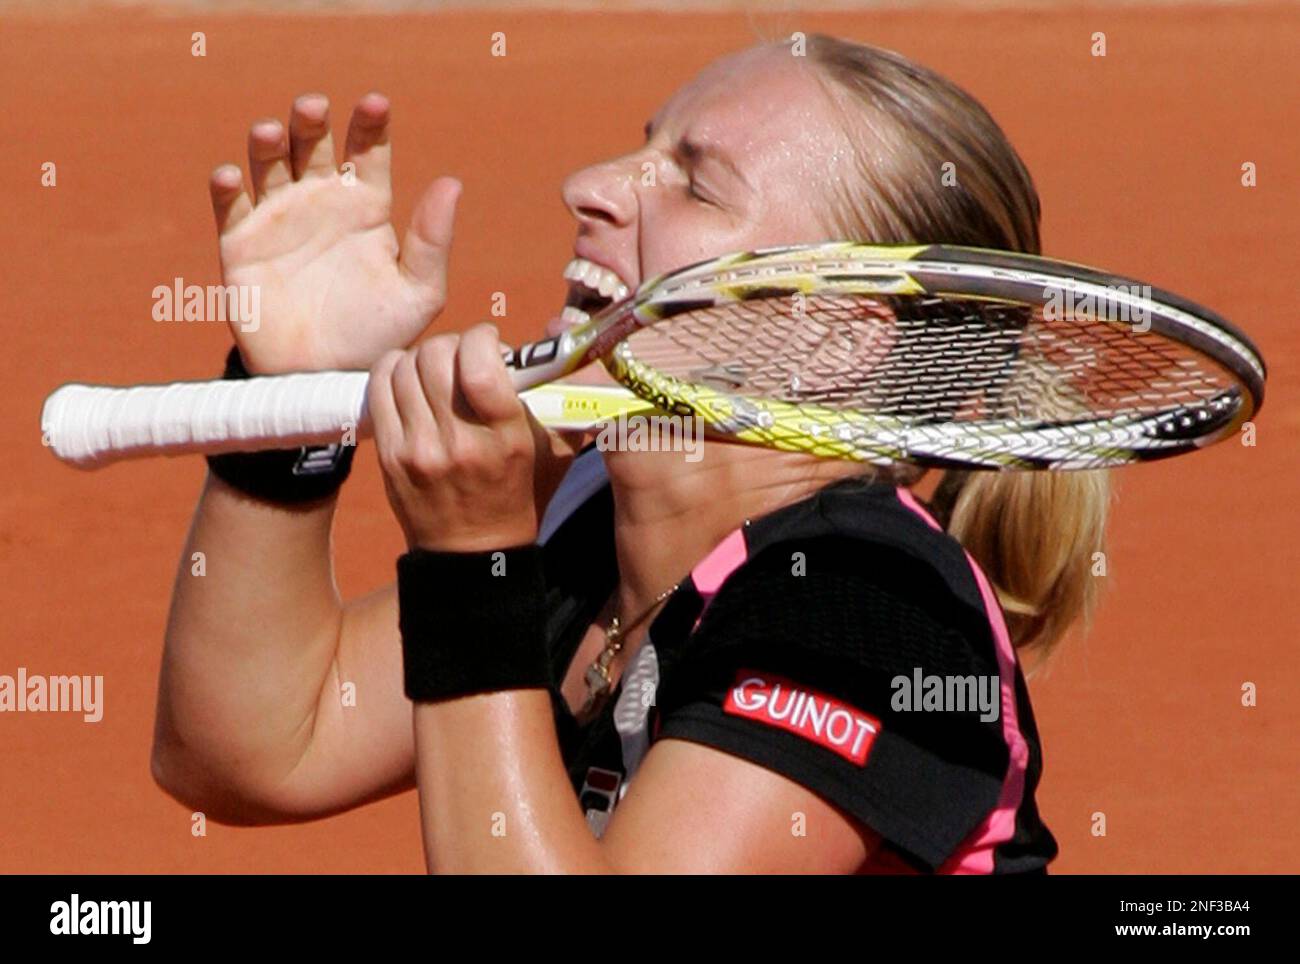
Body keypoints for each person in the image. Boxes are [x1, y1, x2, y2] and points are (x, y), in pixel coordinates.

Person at [153, 34, 1109, 873]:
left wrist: (471, 561)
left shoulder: (867, 609)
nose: (593, 185)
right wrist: (286, 417)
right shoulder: (588, 508)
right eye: (644, 145)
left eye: (695, 183)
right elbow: (248, 750)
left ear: (836, 338)